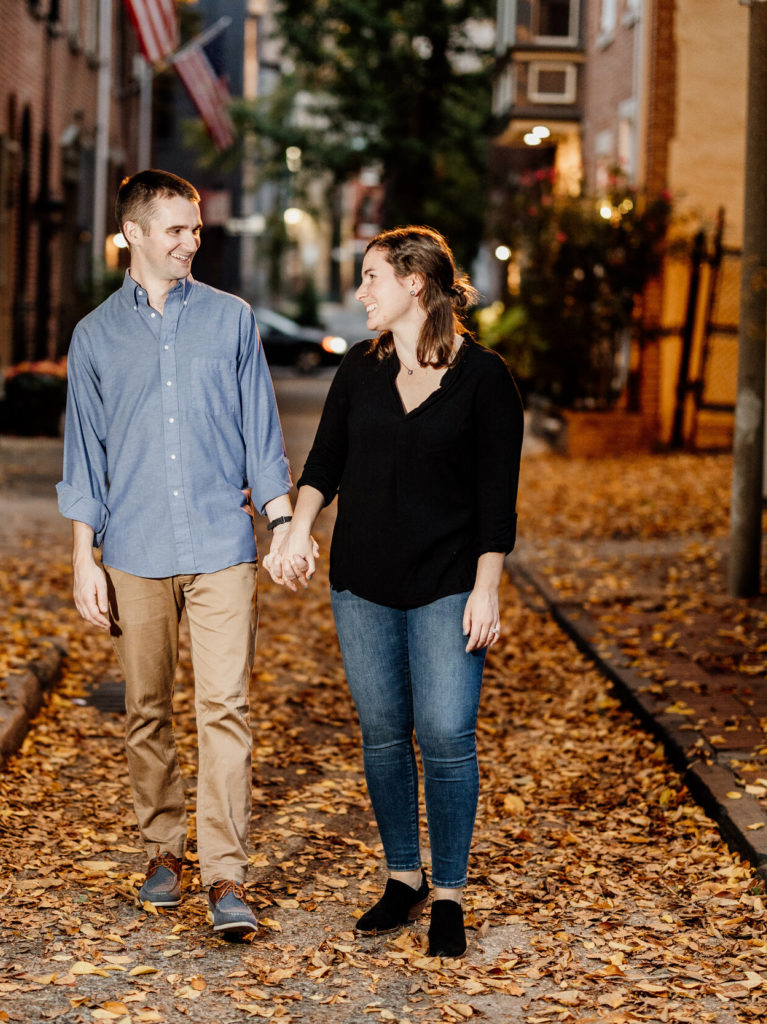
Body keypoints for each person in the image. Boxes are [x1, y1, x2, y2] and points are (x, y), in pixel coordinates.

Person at [58, 169, 306, 939]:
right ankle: (164, 852)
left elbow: (261, 437)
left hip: (221, 546)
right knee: (146, 711)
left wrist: (285, 524)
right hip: (132, 549)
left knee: (224, 709)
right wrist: (82, 557)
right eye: (174, 230)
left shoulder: (231, 321)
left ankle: (226, 875)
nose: (190, 242)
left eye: (195, 230)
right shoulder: (95, 336)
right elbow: (85, 457)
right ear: (133, 233)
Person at [274, 225, 523, 958]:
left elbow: (496, 501)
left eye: (371, 277)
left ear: (415, 283)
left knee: (446, 733)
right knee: (384, 733)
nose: (361, 292)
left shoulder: (485, 379)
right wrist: (295, 531)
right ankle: (402, 876)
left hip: (449, 583)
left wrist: (488, 590)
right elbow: (325, 463)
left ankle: (448, 892)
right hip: (363, 583)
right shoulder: (359, 368)